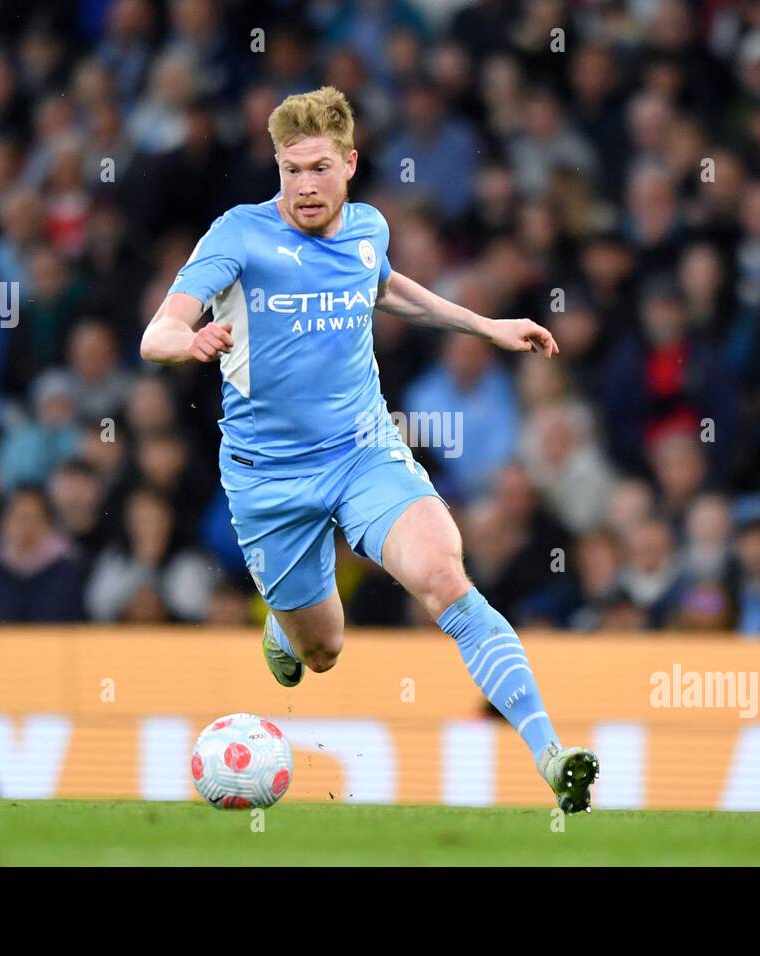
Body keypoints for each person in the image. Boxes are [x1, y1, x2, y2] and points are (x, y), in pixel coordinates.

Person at [139, 87, 598, 813]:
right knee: (323, 650)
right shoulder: (237, 236)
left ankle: (552, 753)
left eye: (320, 168)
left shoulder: (369, 229)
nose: (306, 186)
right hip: (269, 481)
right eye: (291, 171)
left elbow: (385, 289)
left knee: (446, 576)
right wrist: (187, 343)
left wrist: (487, 326)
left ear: (349, 163)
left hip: (362, 453)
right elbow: (156, 331)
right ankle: (287, 633)